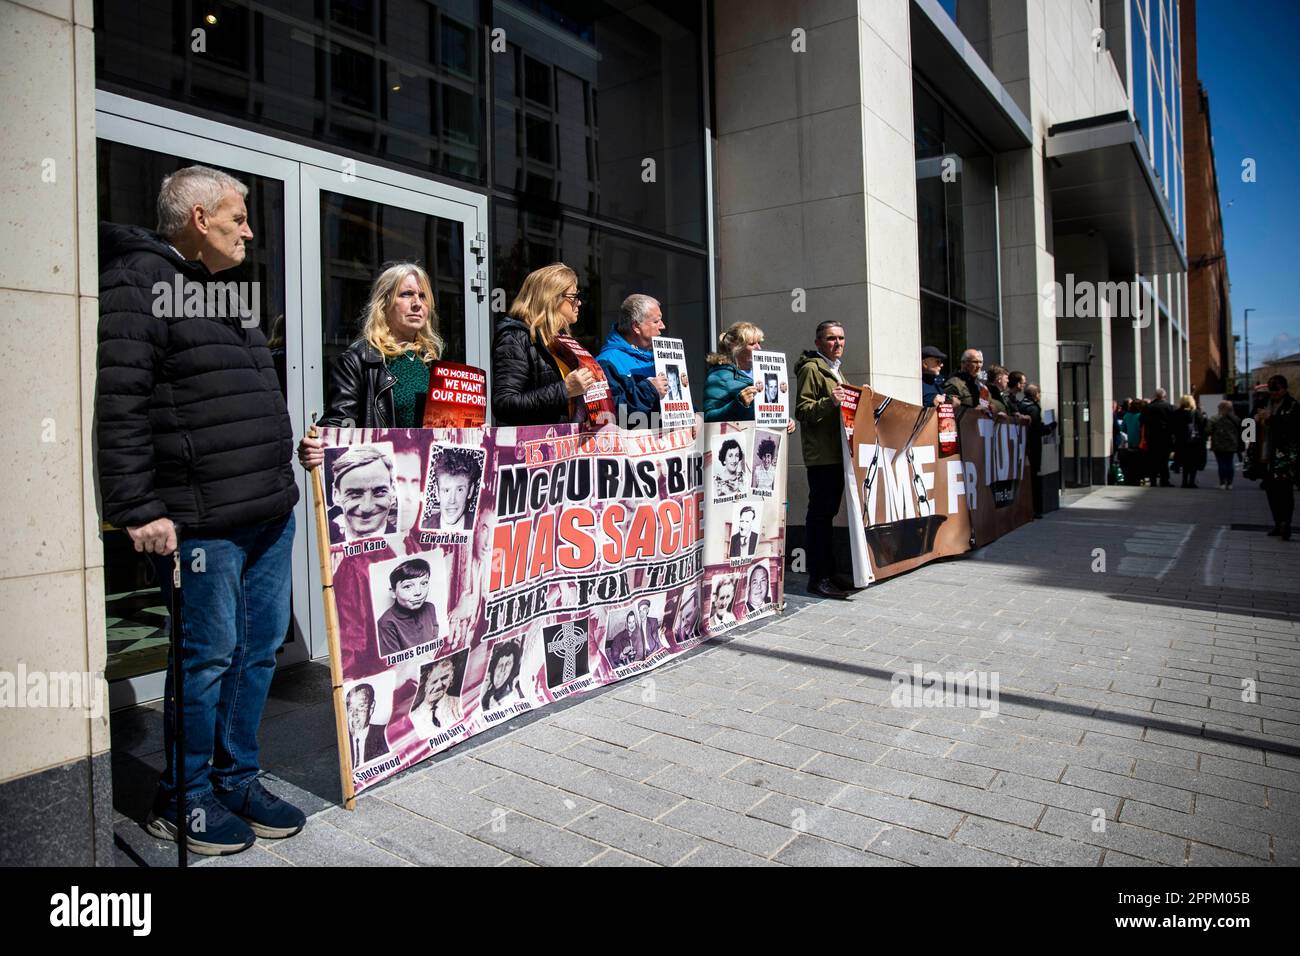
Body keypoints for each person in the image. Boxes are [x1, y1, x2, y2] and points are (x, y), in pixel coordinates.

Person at [96, 165, 304, 855]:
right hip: (201, 521)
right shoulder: (138, 281)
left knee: (256, 654)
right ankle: (181, 799)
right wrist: (136, 506)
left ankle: (236, 777)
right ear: (197, 220)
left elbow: (242, 394)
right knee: (207, 658)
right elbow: (119, 400)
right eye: (237, 217)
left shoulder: (225, 294)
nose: (248, 229)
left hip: (268, 511)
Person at [297, 262, 445, 472]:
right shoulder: (360, 359)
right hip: (385, 481)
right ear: (384, 303)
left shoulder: (432, 362)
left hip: (428, 477)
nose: (416, 304)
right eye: (406, 294)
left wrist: (475, 433)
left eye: (422, 296)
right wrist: (316, 447)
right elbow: (339, 423)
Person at [491, 262, 599, 426]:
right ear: (551, 299)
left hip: (562, 444)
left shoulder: (559, 339)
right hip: (531, 447)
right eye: (573, 297)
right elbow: (504, 404)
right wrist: (564, 389)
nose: (579, 303)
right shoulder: (515, 336)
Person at [795, 321, 853, 600]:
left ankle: (829, 572)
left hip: (836, 452)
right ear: (819, 343)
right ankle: (817, 577)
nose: (837, 343)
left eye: (841, 338)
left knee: (827, 515)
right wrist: (830, 401)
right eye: (831, 339)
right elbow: (802, 411)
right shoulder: (811, 369)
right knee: (820, 516)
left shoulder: (835, 369)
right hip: (822, 456)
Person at [594, 293, 669, 426]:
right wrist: (648, 390)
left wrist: (693, 413)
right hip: (632, 444)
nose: (662, 326)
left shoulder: (654, 356)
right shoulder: (606, 362)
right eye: (656, 321)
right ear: (636, 327)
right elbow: (606, 414)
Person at [1250, 375, 1298, 540]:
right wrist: (1253, 422)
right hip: (1264, 453)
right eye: (1271, 390)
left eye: (1276, 390)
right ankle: (1277, 522)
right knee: (1270, 490)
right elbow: (1246, 427)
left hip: (1283, 456)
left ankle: (1286, 524)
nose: (1273, 393)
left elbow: (1292, 429)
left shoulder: (1292, 405)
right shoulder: (1262, 403)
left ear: (1284, 389)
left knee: (1285, 490)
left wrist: (1271, 419)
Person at [330, 445, 397, 541]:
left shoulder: (411, 546)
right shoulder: (325, 549)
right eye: (354, 494)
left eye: (380, 492)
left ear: (393, 492)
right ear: (336, 495)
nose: (367, 507)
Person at [376, 558, 440, 656]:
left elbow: (435, 638)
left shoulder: (430, 608)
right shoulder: (386, 623)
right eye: (408, 586)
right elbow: (395, 665)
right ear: (393, 592)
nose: (418, 592)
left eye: (424, 583)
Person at [409, 655, 465, 738]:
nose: (439, 685)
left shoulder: (460, 704)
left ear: (451, 680)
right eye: (434, 681)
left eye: (444, 678)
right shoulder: (413, 717)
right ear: (426, 685)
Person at [428, 447, 480, 530]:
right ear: (437, 493)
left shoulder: (480, 526)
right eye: (446, 490)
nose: (452, 500)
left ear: (470, 491)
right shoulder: (422, 528)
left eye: (459, 490)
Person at [344, 684, 390, 766]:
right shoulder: (343, 739)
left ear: (371, 708)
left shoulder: (384, 735)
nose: (355, 714)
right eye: (350, 709)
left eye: (361, 706)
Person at [1140, 388, 1175, 487]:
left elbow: (1141, 420)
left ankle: (1153, 480)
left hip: (1151, 438)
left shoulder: (1148, 407)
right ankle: (1164, 480)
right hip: (1165, 438)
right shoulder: (1170, 407)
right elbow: (1174, 423)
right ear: (1164, 396)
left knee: (1152, 460)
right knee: (1164, 460)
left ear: (1155, 396)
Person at [1022, 384, 1047, 517]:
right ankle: (1033, 509)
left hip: (1025, 447)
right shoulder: (1033, 409)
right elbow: (1036, 431)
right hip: (1032, 448)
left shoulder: (1022, 405)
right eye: (1039, 393)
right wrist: (1048, 428)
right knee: (1033, 478)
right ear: (1036, 394)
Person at [1173, 394, 1207, 488]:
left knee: (1184, 462)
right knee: (1193, 462)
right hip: (1194, 442)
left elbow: (1173, 427)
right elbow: (1202, 427)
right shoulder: (1196, 412)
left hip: (1181, 441)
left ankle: (1184, 481)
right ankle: (1191, 481)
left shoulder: (1177, 413)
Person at [481, 640, 525, 712]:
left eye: (508, 664)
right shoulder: (485, 689)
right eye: (500, 665)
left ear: (513, 668)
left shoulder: (514, 693)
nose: (503, 670)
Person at [1208, 400, 1242, 490]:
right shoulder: (1236, 419)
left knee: (1221, 463)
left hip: (1218, 444)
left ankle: (1222, 483)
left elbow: (1208, 430)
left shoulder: (1214, 418)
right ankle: (1230, 483)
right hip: (1232, 443)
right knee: (1230, 463)